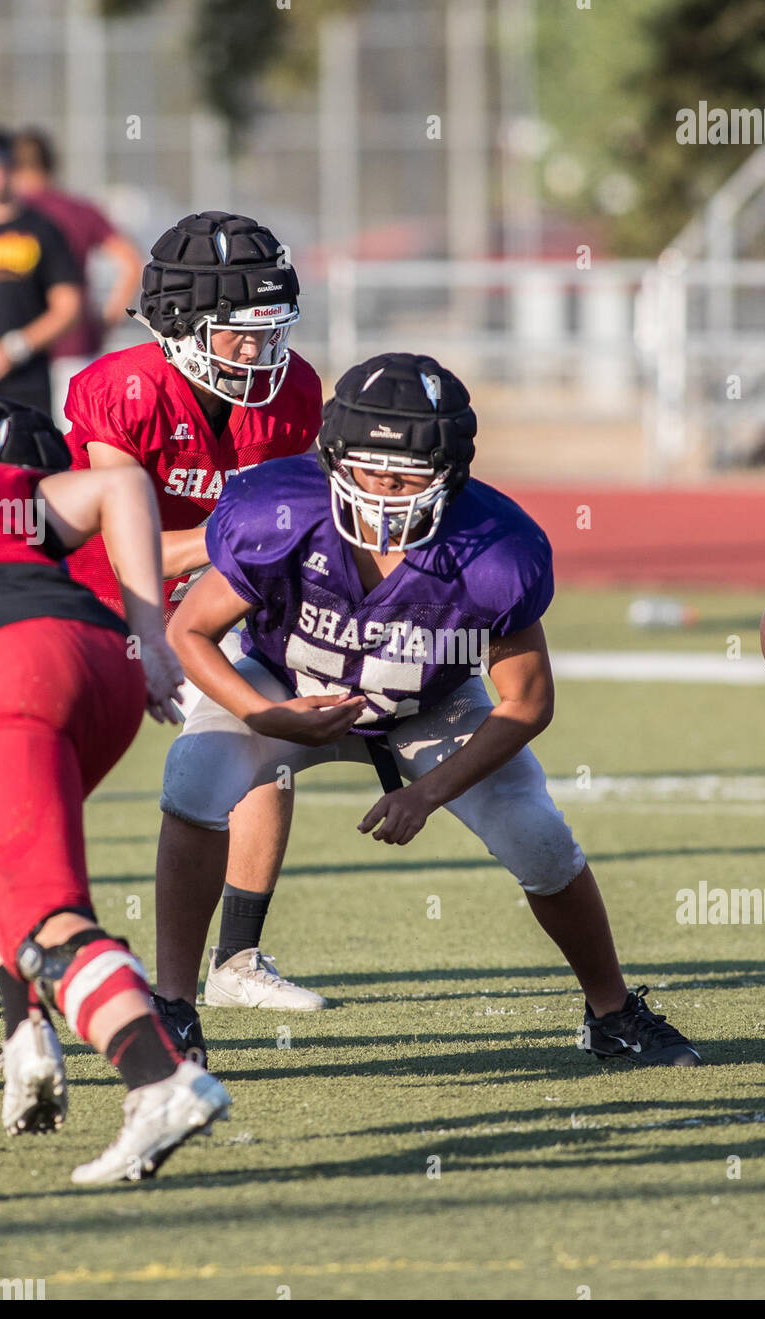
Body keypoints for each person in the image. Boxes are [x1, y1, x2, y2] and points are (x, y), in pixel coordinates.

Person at [156, 352, 702, 1069]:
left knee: (537, 835)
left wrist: (427, 793)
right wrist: (264, 715)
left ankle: (613, 1012)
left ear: (451, 472)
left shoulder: (496, 550)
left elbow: (528, 700)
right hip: (287, 683)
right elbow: (187, 631)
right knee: (193, 777)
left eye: (406, 474)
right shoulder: (275, 510)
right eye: (368, 468)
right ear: (332, 457)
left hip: (430, 705)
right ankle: (174, 1012)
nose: (383, 490)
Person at [62, 210, 326, 1057]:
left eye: (273, 331)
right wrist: (249, 534)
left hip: (225, 601)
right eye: (240, 335)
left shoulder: (295, 389)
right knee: (42, 770)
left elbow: (282, 528)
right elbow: (123, 536)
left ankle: (236, 958)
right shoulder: (123, 388)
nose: (264, 354)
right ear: (178, 328)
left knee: (266, 739)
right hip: (109, 603)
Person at [0, 390, 231, 1182]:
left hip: (5, 672)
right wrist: (151, 635)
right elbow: (118, 485)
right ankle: (27, 1036)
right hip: (102, 660)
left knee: (46, 917)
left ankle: (160, 1078)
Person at [11, 127, 144, 411]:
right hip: (77, 347)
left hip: (17, 354)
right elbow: (132, 262)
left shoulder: (14, 216)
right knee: (74, 447)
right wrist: (107, 320)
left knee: (18, 448)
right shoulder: (78, 210)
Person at [0, 128, 81, 416]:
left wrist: (15, 348)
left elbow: (69, 308)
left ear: (11, 169)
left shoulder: (41, 230)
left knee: (26, 460)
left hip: (27, 386)